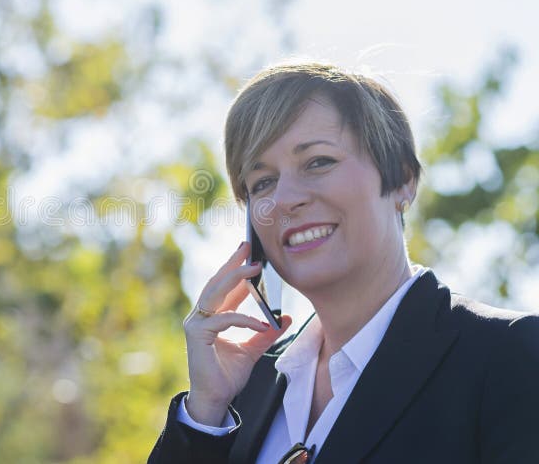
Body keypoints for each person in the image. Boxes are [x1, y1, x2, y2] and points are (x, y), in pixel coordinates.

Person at [148, 62, 539, 463]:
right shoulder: (245, 390)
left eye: (318, 162)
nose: (284, 198)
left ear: (403, 179)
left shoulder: (509, 356)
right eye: (262, 182)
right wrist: (204, 414)